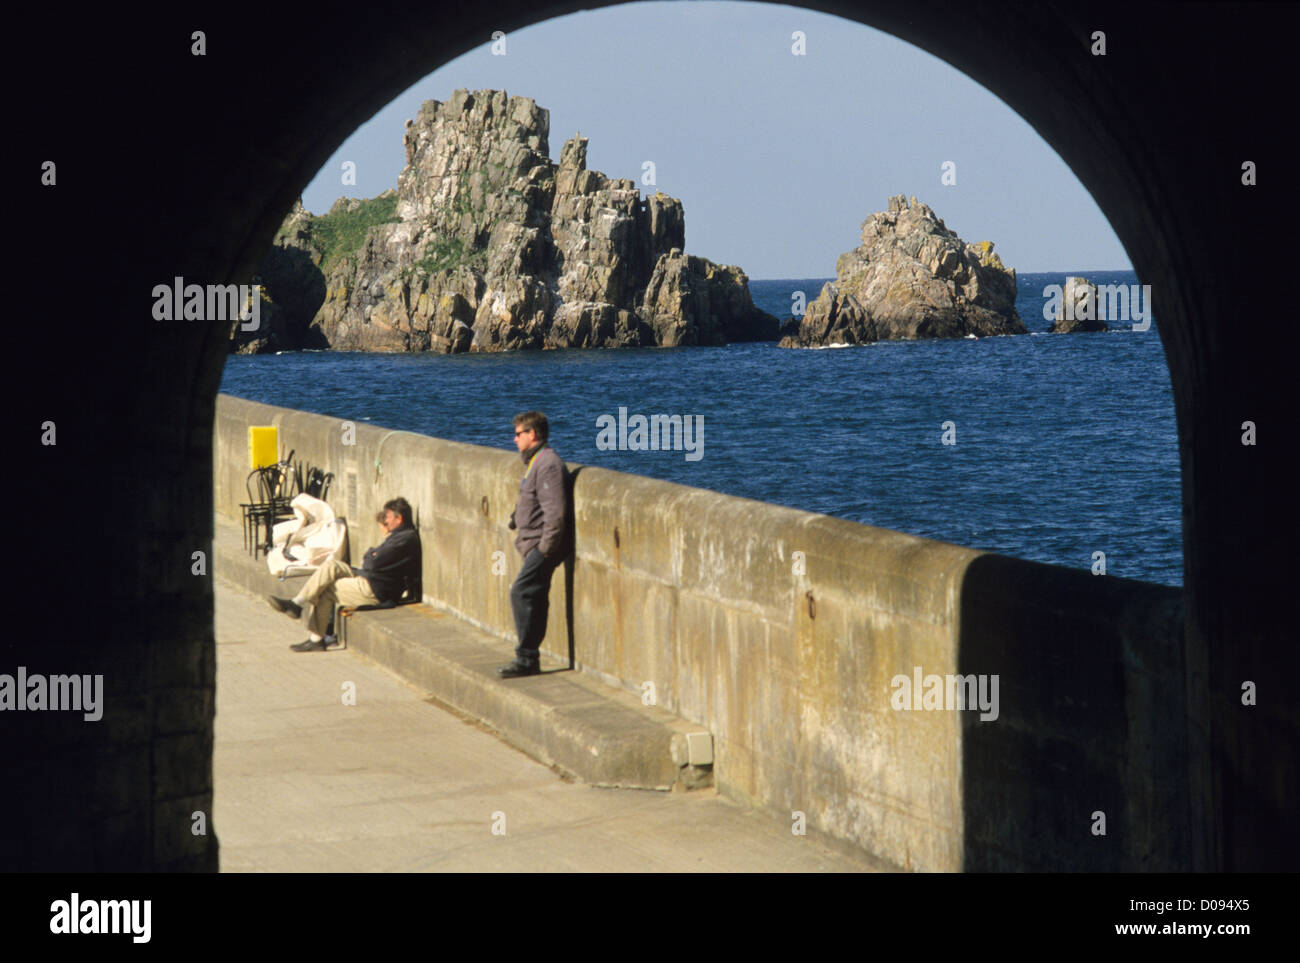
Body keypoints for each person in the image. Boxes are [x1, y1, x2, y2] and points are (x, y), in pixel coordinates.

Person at [267, 496, 421, 652]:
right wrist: (372, 554)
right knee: (331, 565)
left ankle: (315, 638)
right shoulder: (399, 537)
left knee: (326, 589)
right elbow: (371, 560)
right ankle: (297, 603)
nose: (383, 524)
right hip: (370, 578)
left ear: (399, 519)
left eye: (385, 520)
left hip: (376, 590)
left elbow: (371, 562)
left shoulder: (403, 540)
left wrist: (372, 553)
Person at [498, 411, 570, 678]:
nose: (514, 439)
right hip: (532, 544)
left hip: (543, 546)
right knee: (535, 598)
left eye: (518, 434)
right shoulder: (534, 462)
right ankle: (530, 659)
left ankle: (526, 658)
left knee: (521, 592)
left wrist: (544, 549)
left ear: (533, 434)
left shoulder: (547, 464)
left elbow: (556, 513)